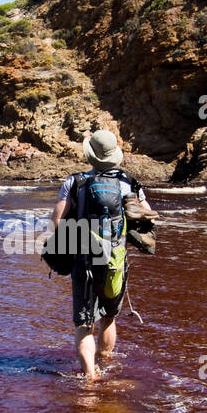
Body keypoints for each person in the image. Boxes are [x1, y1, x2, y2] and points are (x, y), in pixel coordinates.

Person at [47, 129, 150, 380]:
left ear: (90, 156)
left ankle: (91, 376)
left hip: (84, 260)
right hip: (116, 260)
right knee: (109, 317)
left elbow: (56, 222)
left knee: (84, 324)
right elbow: (146, 217)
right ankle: (106, 361)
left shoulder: (75, 181)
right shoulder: (128, 183)